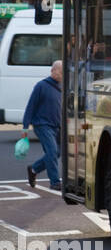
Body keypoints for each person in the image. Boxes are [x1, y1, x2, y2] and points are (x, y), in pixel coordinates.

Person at [23, 60, 64, 191]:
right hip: (42, 125)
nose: (62, 74)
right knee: (51, 152)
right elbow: (30, 107)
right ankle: (55, 182)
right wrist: (25, 127)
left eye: (64, 72)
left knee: (57, 152)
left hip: (56, 126)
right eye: (60, 71)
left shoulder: (61, 88)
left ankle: (34, 169)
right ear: (53, 70)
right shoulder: (41, 86)